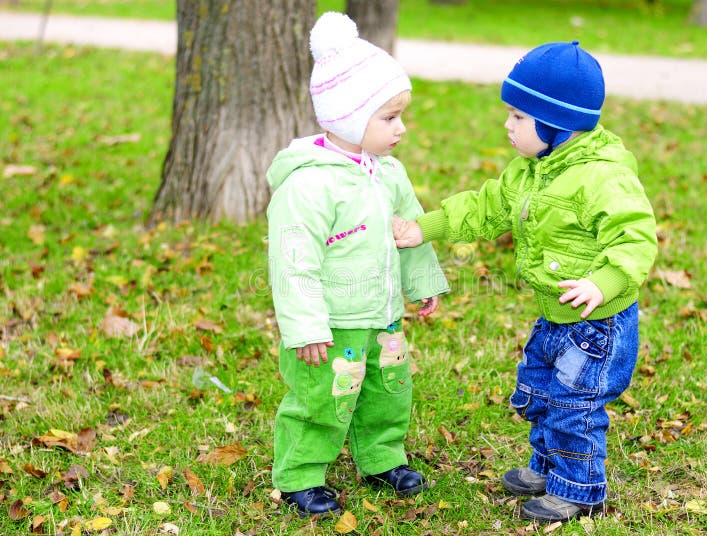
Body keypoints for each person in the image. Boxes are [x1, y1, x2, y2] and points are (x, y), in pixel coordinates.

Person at [392, 41, 657, 522]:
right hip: (556, 315)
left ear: (557, 122)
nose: (507, 126)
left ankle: (579, 488)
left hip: (597, 322)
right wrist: (423, 228)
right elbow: (483, 207)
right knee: (541, 391)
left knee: (574, 405)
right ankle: (549, 466)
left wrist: (604, 280)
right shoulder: (530, 172)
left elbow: (635, 237)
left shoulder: (603, 177)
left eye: (518, 116)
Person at [266, 12, 449, 518]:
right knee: (323, 397)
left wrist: (421, 282)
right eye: (388, 118)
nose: (402, 128)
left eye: (400, 116)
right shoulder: (309, 185)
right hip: (332, 323)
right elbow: (293, 261)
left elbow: (408, 230)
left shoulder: (389, 174)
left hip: (383, 314)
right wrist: (305, 327)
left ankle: (382, 457)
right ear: (347, 117)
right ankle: (302, 473)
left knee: (388, 390)